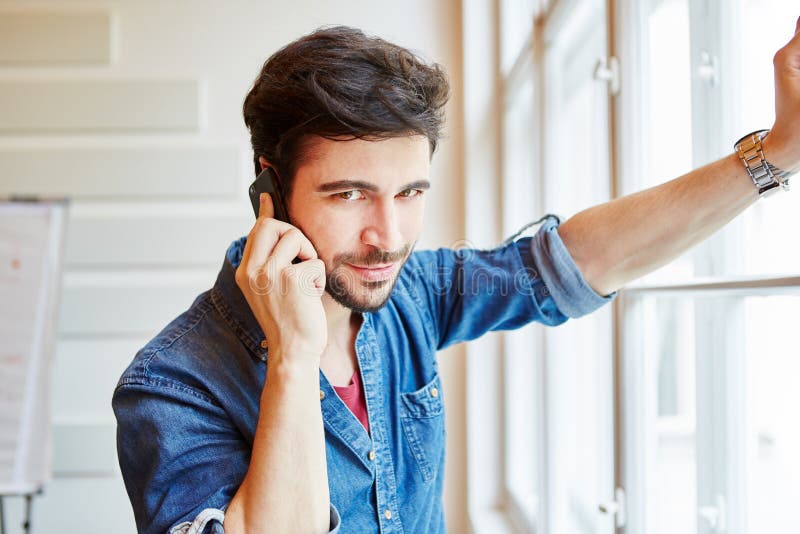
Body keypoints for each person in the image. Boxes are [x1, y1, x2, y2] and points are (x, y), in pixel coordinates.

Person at [112, 23, 800, 534]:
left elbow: (578, 262)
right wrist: (293, 359)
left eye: (410, 192)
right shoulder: (171, 385)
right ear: (270, 186)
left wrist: (775, 154)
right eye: (348, 195)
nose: (390, 237)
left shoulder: (404, 295)